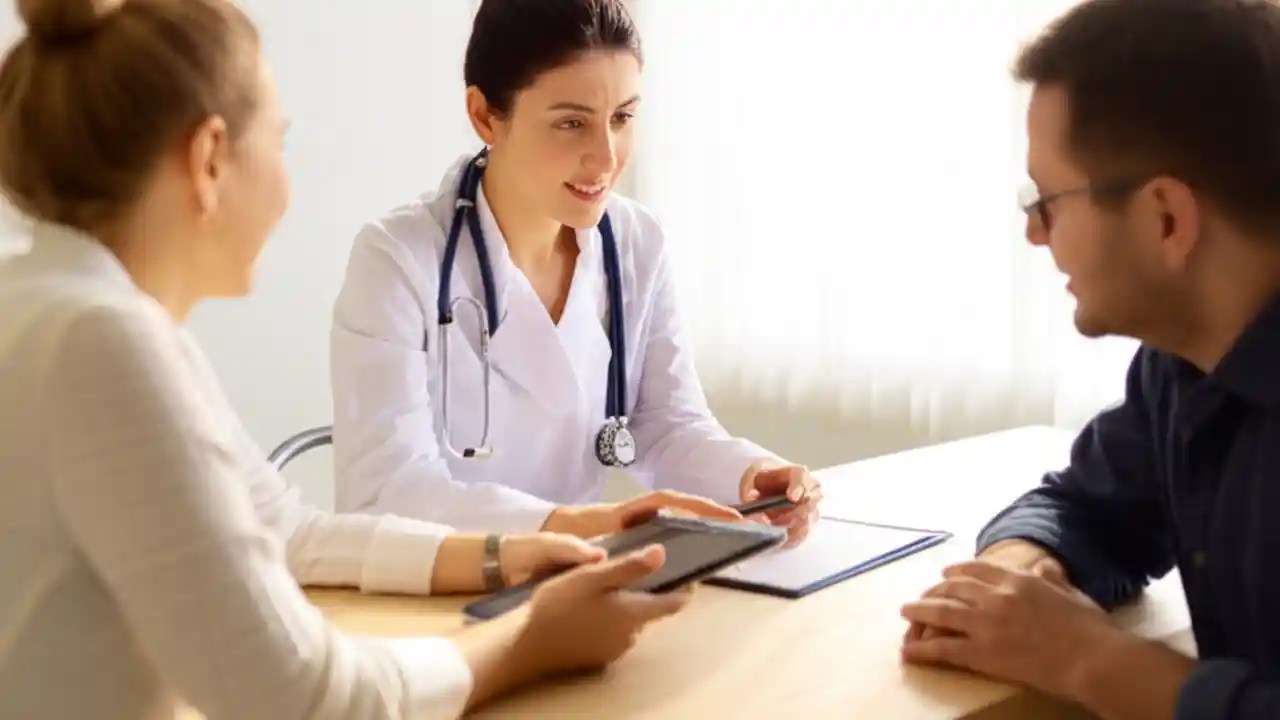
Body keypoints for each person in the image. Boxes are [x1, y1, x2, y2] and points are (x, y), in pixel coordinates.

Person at [0, 0, 694, 717]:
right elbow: (298, 696)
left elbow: (291, 533)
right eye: (280, 141)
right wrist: (529, 641)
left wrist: (509, 553)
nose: (287, 185)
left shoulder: (66, 312)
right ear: (210, 160)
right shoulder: (105, 347)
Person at [898, 0, 1280, 718]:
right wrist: (1015, 574)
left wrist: (1090, 659)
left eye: (1048, 203)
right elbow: (1086, 505)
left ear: (1167, 218)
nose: (1035, 237)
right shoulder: (1184, 365)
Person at [330, 0, 821, 545]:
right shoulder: (397, 259)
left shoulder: (636, 242)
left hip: (575, 578)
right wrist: (578, 526)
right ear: (485, 116)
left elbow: (666, 425)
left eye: (622, 118)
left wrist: (750, 478)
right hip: (439, 589)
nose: (606, 157)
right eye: (572, 123)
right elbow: (386, 493)